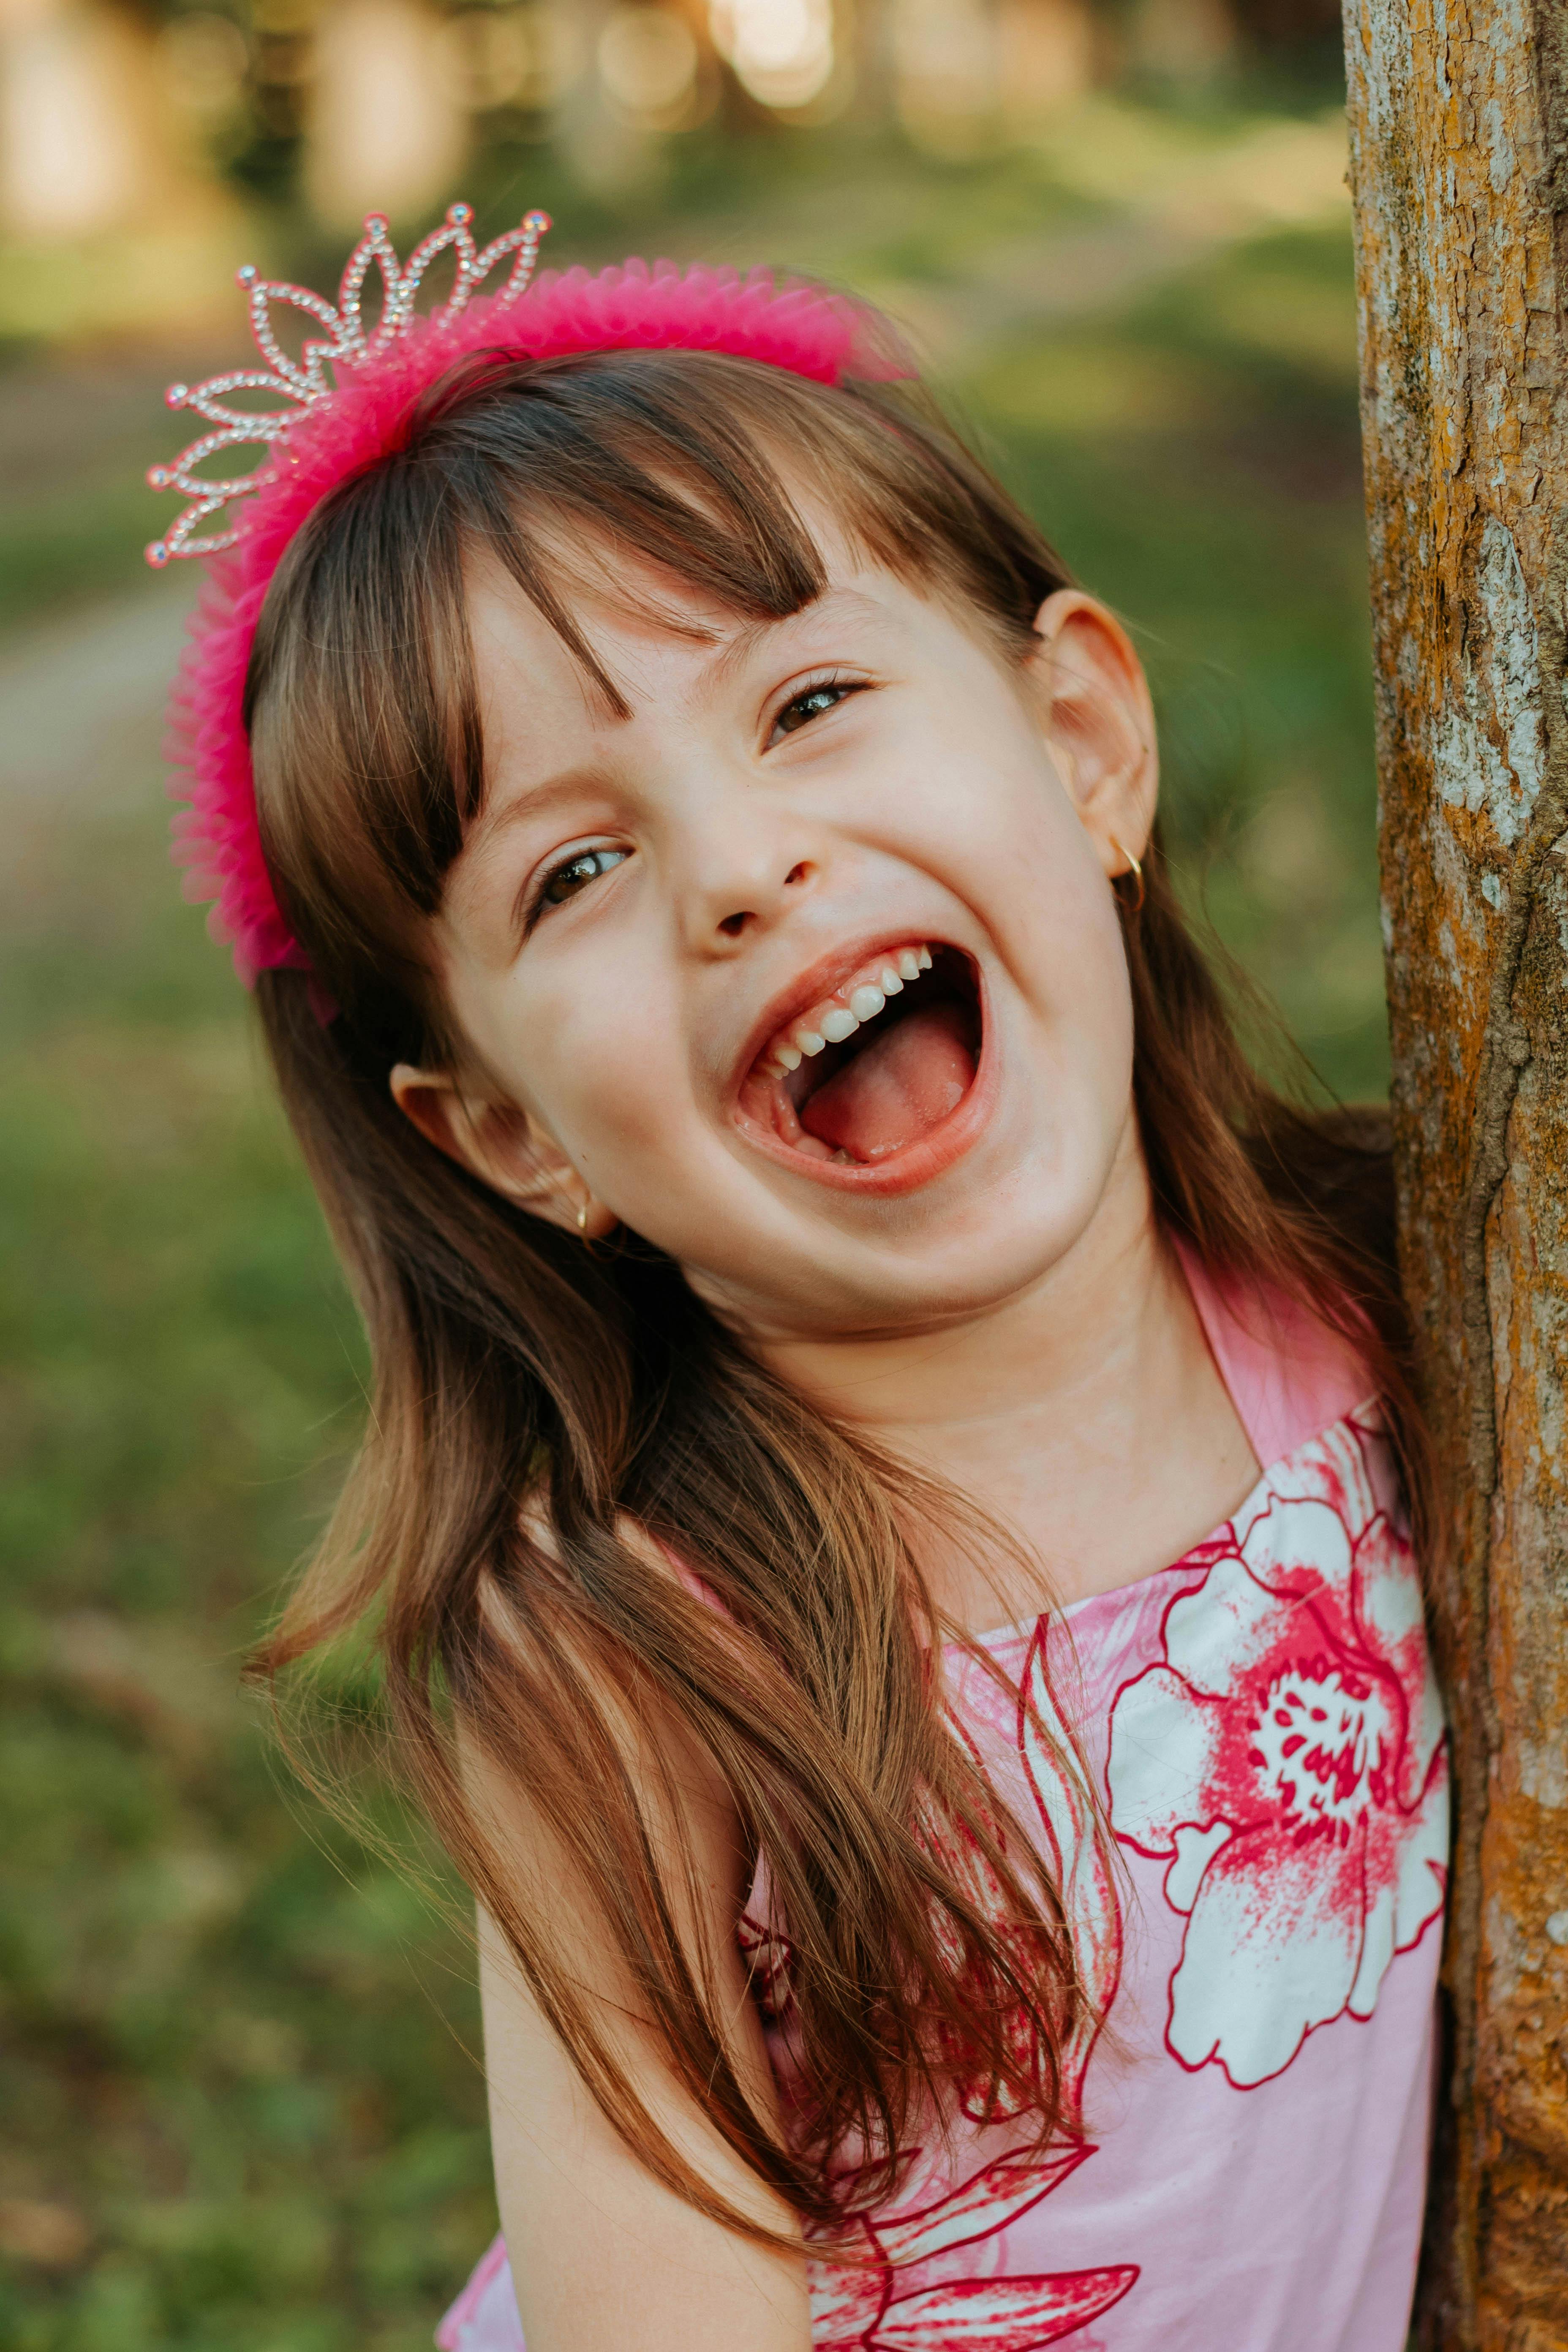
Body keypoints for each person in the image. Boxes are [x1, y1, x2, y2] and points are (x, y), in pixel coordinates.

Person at [149, 206, 1449, 2352]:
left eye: (811, 701)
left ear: (1081, 741)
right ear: (510, 1134)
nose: (743, 870)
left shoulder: (1376, 1307)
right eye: (577, 867)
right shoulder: (649, 1688)